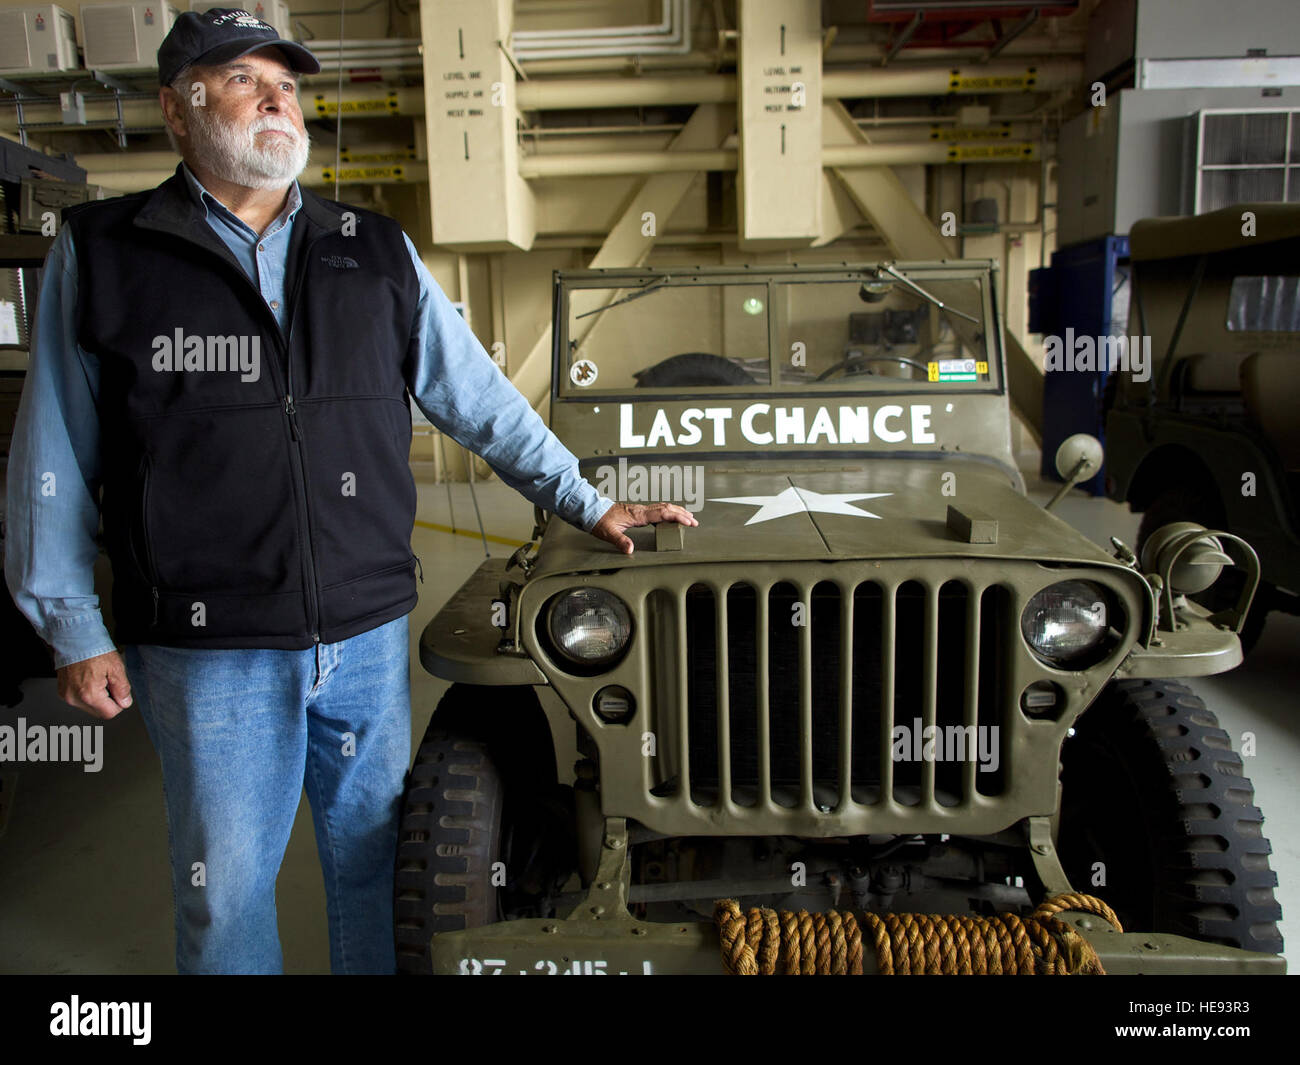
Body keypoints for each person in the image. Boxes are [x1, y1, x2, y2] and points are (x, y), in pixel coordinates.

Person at [3, 8, 696, 975]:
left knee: (375, 865)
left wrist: (583, 498)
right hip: (210, 649)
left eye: (287, 82)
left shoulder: (372, 248)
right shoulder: (105, 251)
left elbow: (479, 400)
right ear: (177, 106)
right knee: (227, 889)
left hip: (365, 634)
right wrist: (72, 625)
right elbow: (54, 451)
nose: (277, 97)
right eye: (245, 78)